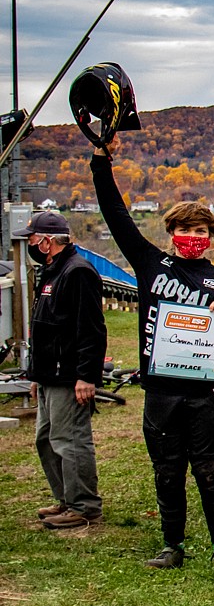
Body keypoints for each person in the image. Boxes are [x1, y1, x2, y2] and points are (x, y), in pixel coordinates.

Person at [92, 142, 214, 568]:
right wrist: (100, 163)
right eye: (186, 229)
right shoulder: (150, 264)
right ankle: (172, 546)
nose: (193, 237)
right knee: (167, 472)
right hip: (161, 391)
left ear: (211, 237)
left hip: (205, 393)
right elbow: (116, 215)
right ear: (172, 232)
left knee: (209, 471)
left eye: (201, 231)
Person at [23, 210, 107, 531]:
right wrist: (36, 375)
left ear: (47, 242)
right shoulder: (50, 271)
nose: (29, 244)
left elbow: (91, 328)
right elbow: (44, 327)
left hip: (69, 375)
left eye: (32, 239)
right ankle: (65, 498)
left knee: (69, 439)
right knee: (46, 439)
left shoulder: (78, 272)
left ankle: (84, 506)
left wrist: (86, 376)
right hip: (48, 375)